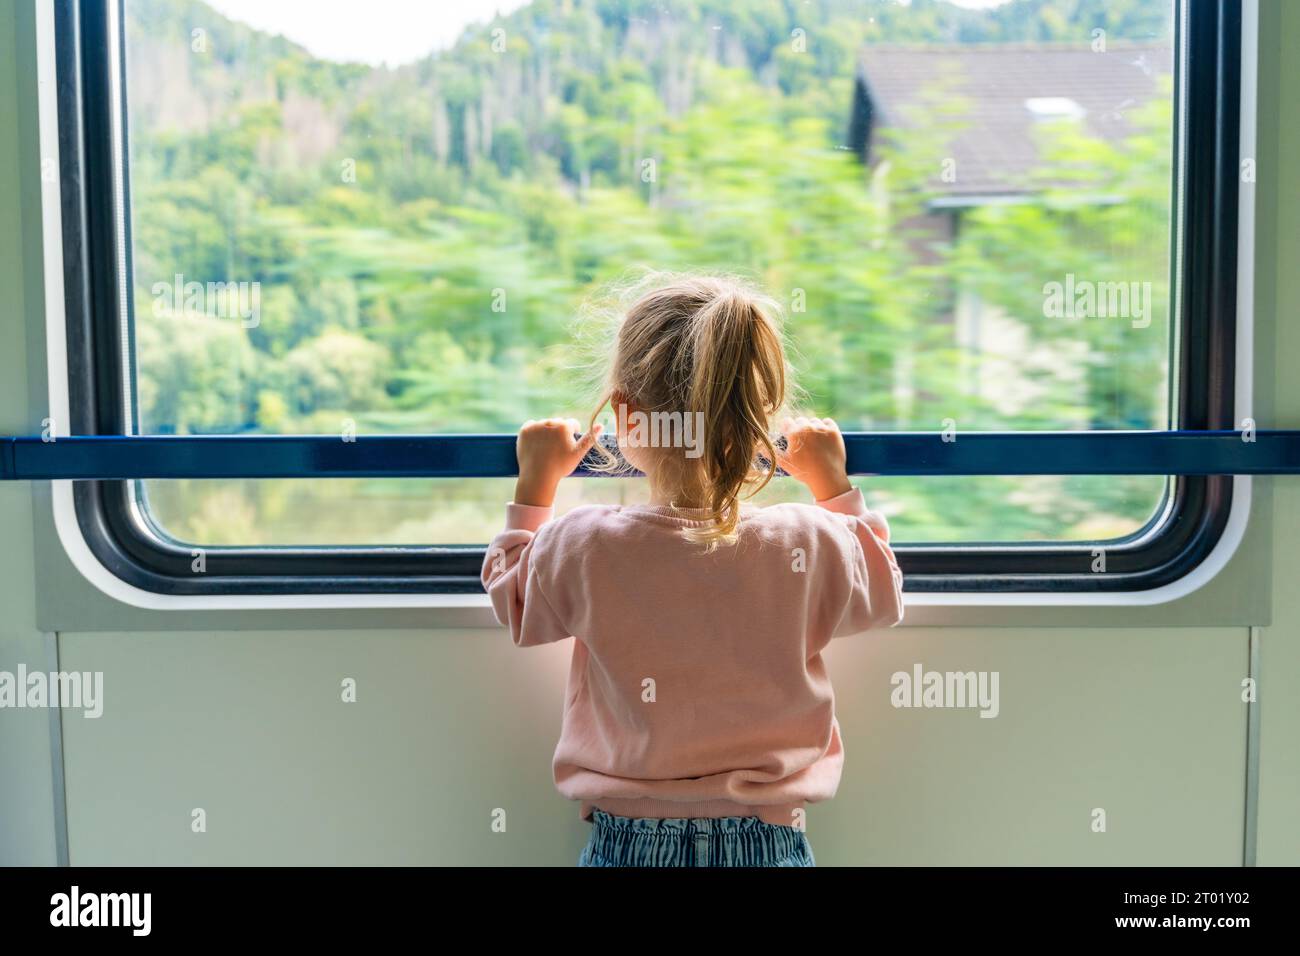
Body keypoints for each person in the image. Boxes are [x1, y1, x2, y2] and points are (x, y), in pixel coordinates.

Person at [482, 274, 904, 866]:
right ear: (763, 422)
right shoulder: (806, 541)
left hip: (628, 844)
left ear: (627, 417)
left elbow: (515, 603)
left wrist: (536, 483)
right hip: (769, 842)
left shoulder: (583, 544)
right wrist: (833, 485)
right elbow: (881, 590)